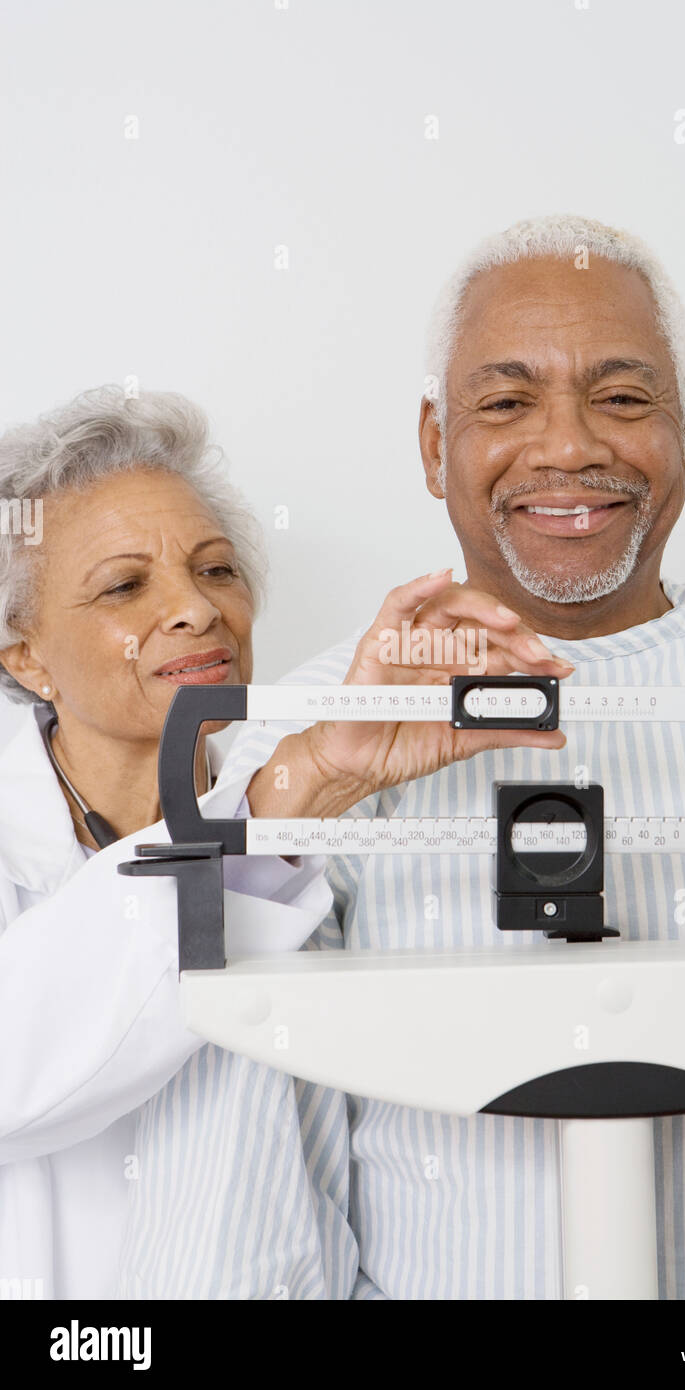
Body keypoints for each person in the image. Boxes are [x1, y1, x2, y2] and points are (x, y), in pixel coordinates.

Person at [123, 214, 685, 1301]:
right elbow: (236, 1165)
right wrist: (318, 781)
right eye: (506, 402)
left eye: (619, 397)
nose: (566, 447)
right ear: (433, 444)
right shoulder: (319, 730)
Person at [0, 384, 572, 1300]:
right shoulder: (277, 809)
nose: (194, 609)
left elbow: (362, 1176)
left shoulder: (306, 833)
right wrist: (293, 795)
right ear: (24, 655)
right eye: (124, 586)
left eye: (217, 570)